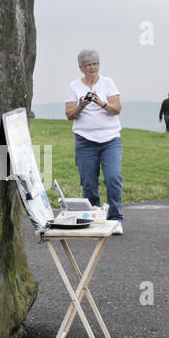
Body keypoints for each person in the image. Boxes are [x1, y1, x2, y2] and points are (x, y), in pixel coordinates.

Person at [65, 49, 124, 232]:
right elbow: (69, 114)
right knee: (89, 182)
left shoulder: (108, 83)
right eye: (88, 65)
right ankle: (95, 217)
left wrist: (101, 103)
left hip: (110, 140)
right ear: (81, 67)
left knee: (113, 177)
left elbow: (116, 109)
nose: (92, 67)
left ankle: (115, 219)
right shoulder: (74, 87)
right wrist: (81, 105)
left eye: (95, 64)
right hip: (85, 141)